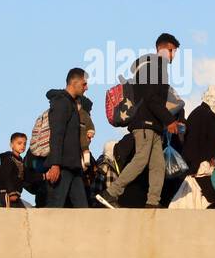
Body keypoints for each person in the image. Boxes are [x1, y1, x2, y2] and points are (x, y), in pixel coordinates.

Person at [98, 35, 181, 209]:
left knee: (157, 165)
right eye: (172, 51)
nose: (173, 55)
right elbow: (151, 99)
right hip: (145, 124)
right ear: (163, 48)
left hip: (154, 125)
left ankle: (153, 202)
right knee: (141, 160)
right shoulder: (154, 67)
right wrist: (169, 120)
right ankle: (111, 193)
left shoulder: (154, 68)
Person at [46, 68, 90, 208]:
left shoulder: (71, 103)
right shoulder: (61, 102)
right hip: (62, 167)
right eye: (84, 84)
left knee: (83, 211)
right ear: (74, 82)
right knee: (55, 208)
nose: (86, 88)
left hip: (73, 167)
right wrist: (55, 164)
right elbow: (57, 134)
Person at [180, 86, 215, 208]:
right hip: (201, 170)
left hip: (198, 167)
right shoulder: (207, 116)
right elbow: (201, 143)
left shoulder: (203, 113)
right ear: (214, 99)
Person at [0, 133, 33, 207]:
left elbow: (28, 176)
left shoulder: (21, 161)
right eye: (19, 143)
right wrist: (11, 192)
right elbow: (6, 176)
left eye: (24, 144)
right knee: (9, 216)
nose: (22, 146)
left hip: (16, 195)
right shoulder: (8, 159)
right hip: (8, 194)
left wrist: (44, 176)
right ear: (11, 145)